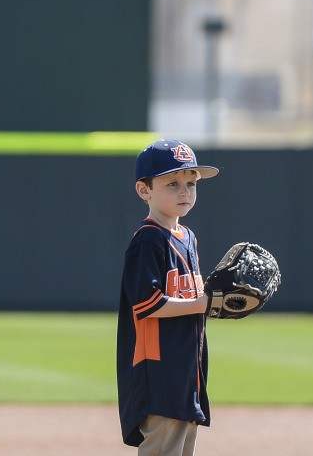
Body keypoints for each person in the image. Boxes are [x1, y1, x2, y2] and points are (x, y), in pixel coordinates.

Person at [117, 139, 219, 456]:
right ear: (144, 190)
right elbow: (148, 304)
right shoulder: (149, 239)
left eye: (191, 183)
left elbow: (192, 299)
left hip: (186, 368)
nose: (184, 192)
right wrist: (206, 303)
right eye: (172, 183)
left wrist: (220, 300)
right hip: (159, 368)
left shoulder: (187, 237)